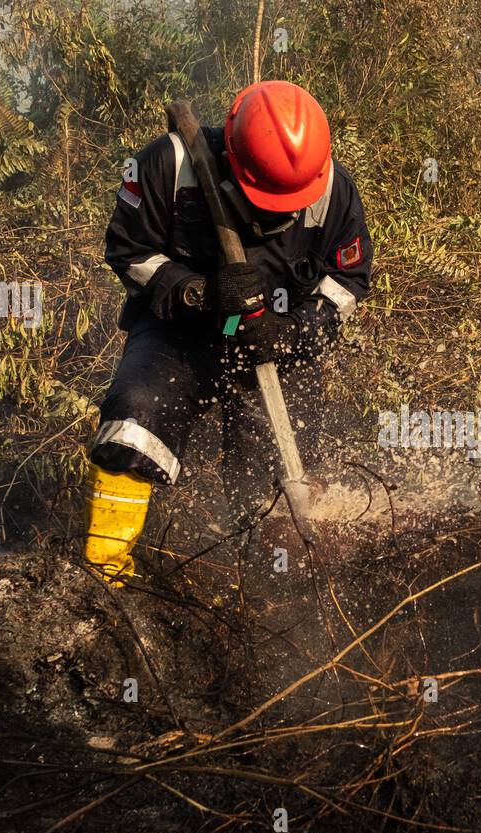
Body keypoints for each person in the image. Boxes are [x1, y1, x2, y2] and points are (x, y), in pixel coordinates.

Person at [83, 80, 372, 585]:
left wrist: (294, 333)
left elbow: (348, 280)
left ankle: (266, 590)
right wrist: (198, 292)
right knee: (135, 418)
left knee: (283, 471)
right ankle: (103, 578)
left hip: (274, 342)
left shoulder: (333, 190)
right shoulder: (168, 165)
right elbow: (127, 252)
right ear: (236, 161)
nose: (279, 213)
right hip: (181, 334)